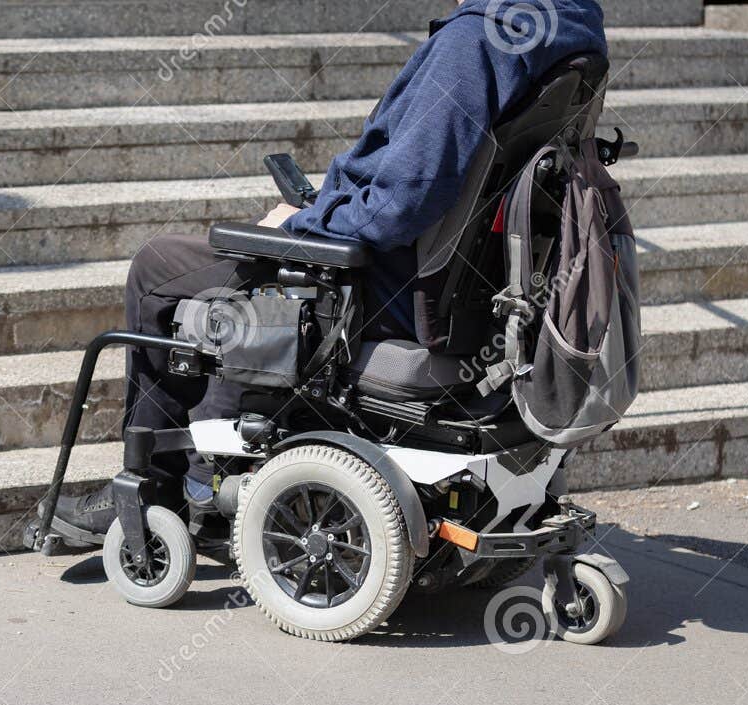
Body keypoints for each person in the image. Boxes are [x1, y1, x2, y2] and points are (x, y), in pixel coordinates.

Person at [52, 0, 608, 539]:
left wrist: (302, 226)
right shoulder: (574, 25)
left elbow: (403, 200)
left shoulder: (475, 44)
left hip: (388, 288)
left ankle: (149, 493)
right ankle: (209, 477)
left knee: (157, 268)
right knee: (235, 301)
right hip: (478, 295)